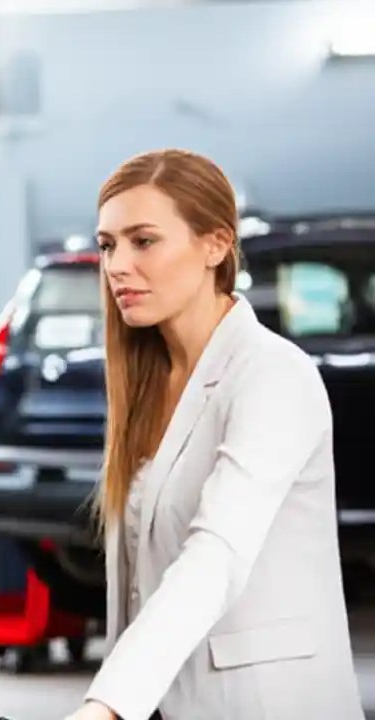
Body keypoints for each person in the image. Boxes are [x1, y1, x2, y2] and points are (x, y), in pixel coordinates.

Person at [63, 149, 363, 720]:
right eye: (107, 245)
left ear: (216, 244)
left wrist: (105, 707)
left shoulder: (272, 374)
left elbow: (215, 554)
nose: (117, 265)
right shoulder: (147, 385)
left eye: (143, 241)